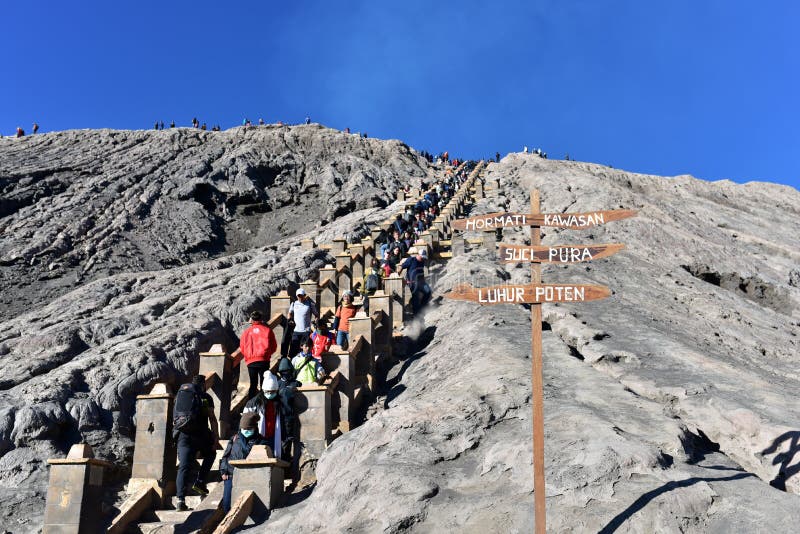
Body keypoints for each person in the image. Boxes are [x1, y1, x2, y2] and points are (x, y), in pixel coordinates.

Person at [173, 375, 219, 511]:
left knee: (183, 467)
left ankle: (180, 500)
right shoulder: (205, 397)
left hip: (183, 436)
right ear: (203, 385)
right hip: (200, 434)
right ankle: (199, 482)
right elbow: (212, 418)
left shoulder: (180, 396)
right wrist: (215, 438)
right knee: (211, 454)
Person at [220, 412, 266, 513]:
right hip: (231, 475)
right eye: (243, 429)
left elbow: (252, 453)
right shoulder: (234, 438)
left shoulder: (260, 441)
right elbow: (226, 456)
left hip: (249, 476)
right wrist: (223, 471)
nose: (246, 431)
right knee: (227, 504)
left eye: (249, 429)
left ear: (254, 428)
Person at [243, 372, 293, 460]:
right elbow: (245, 421)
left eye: (272, 392)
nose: (270, 394)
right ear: (263, 390)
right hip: (259, 437)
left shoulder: (280, 403)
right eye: (267, 392)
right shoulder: (253, 403)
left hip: (274, 437)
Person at [239, 310, 277, 399]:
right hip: (264, 360)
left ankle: (251, 405)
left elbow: (242, 347)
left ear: (251, 319)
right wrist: (267, 354)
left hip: (251, 361)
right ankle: (264, 403)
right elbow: (274, 346)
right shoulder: (267, 330)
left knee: (253, 384)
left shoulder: (246, 332)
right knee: (264, 383)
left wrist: (248, 356)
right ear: (261, 319)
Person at [286, 288, 319, 358]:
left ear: (304, 295)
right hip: (296, 331)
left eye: (301, 295)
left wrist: (316, 321)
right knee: (293, 351)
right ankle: (293, 365)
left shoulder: (310, 304)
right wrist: (289, 320)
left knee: (305, 350)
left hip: (306, 331)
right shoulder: (294, 304)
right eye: (298, 296)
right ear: (296, 296)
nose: (300, 297)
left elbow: (316, 314)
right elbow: (289, 313)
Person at [398, 248, 431, 313]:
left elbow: (421, 271)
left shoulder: (422, 261)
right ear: (418, 255)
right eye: (422, 257)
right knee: (415, 297)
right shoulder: (411, 260)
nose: (423, 258)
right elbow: (402, 266)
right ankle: (416, 313)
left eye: (423, 257)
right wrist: (398, 276)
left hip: (421, 281)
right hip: (412, 282)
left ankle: (422, 307)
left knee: (428, 291)